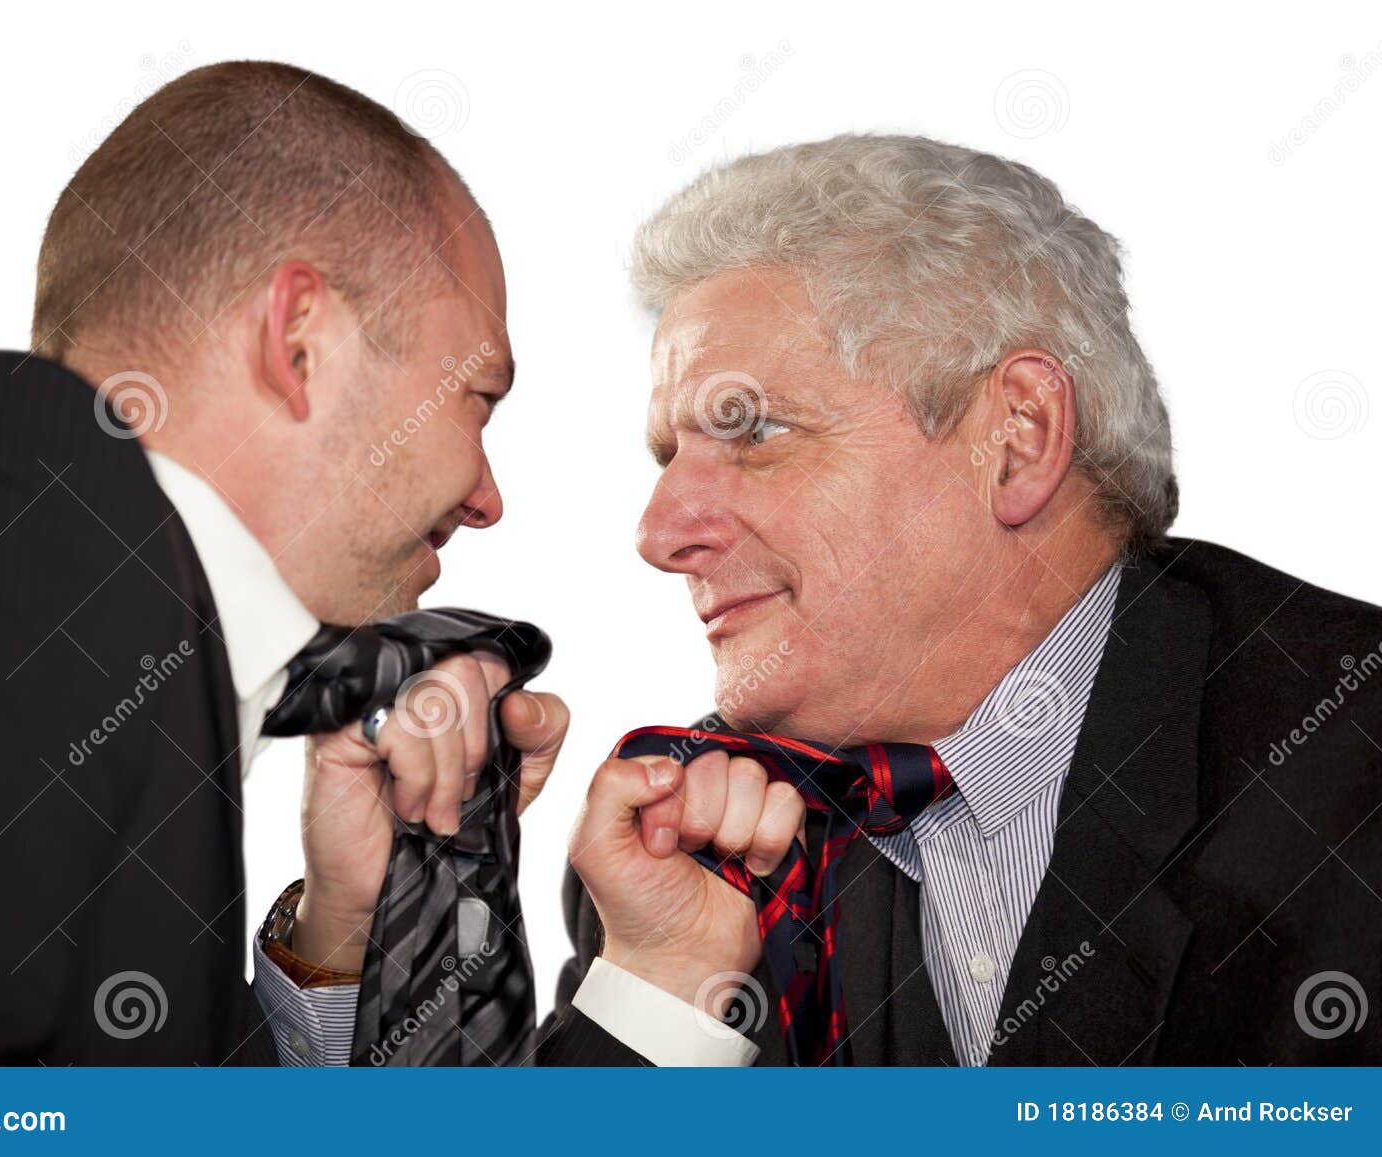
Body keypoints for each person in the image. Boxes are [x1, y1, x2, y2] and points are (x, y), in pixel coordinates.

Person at [527, 133, 1382, 1065]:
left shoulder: (1354, 763)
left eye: (754, 432)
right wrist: (664, 988)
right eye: (669, 459)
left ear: (1016, 438)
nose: (659, 534)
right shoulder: (695, 850)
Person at [0, 61, 567, 1065]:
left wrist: (339, 940)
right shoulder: (11, 487)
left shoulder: (134, 656)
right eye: (478, 397)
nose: (486, 496)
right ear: (300, 341)